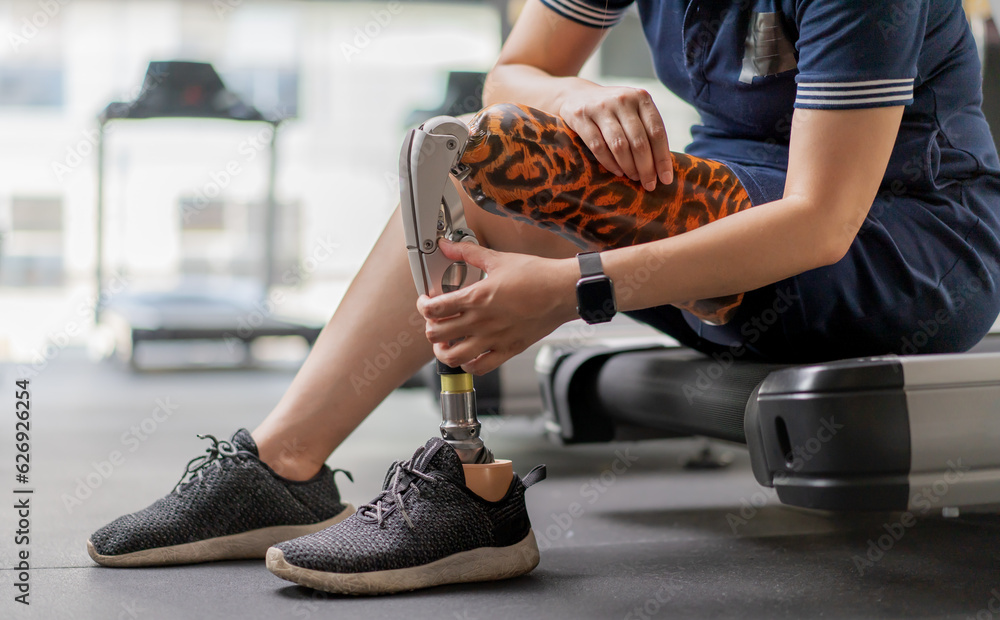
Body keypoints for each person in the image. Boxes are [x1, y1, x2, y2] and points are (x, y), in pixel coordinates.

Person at [88, 0, 1000, 595]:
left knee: (559, 173)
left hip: (904, 245)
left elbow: (818, 222)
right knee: (477, 153)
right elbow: (513, 69)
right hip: (729, 204)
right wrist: (577, 94)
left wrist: (574, 291)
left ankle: (456, 489)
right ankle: (286, 470)